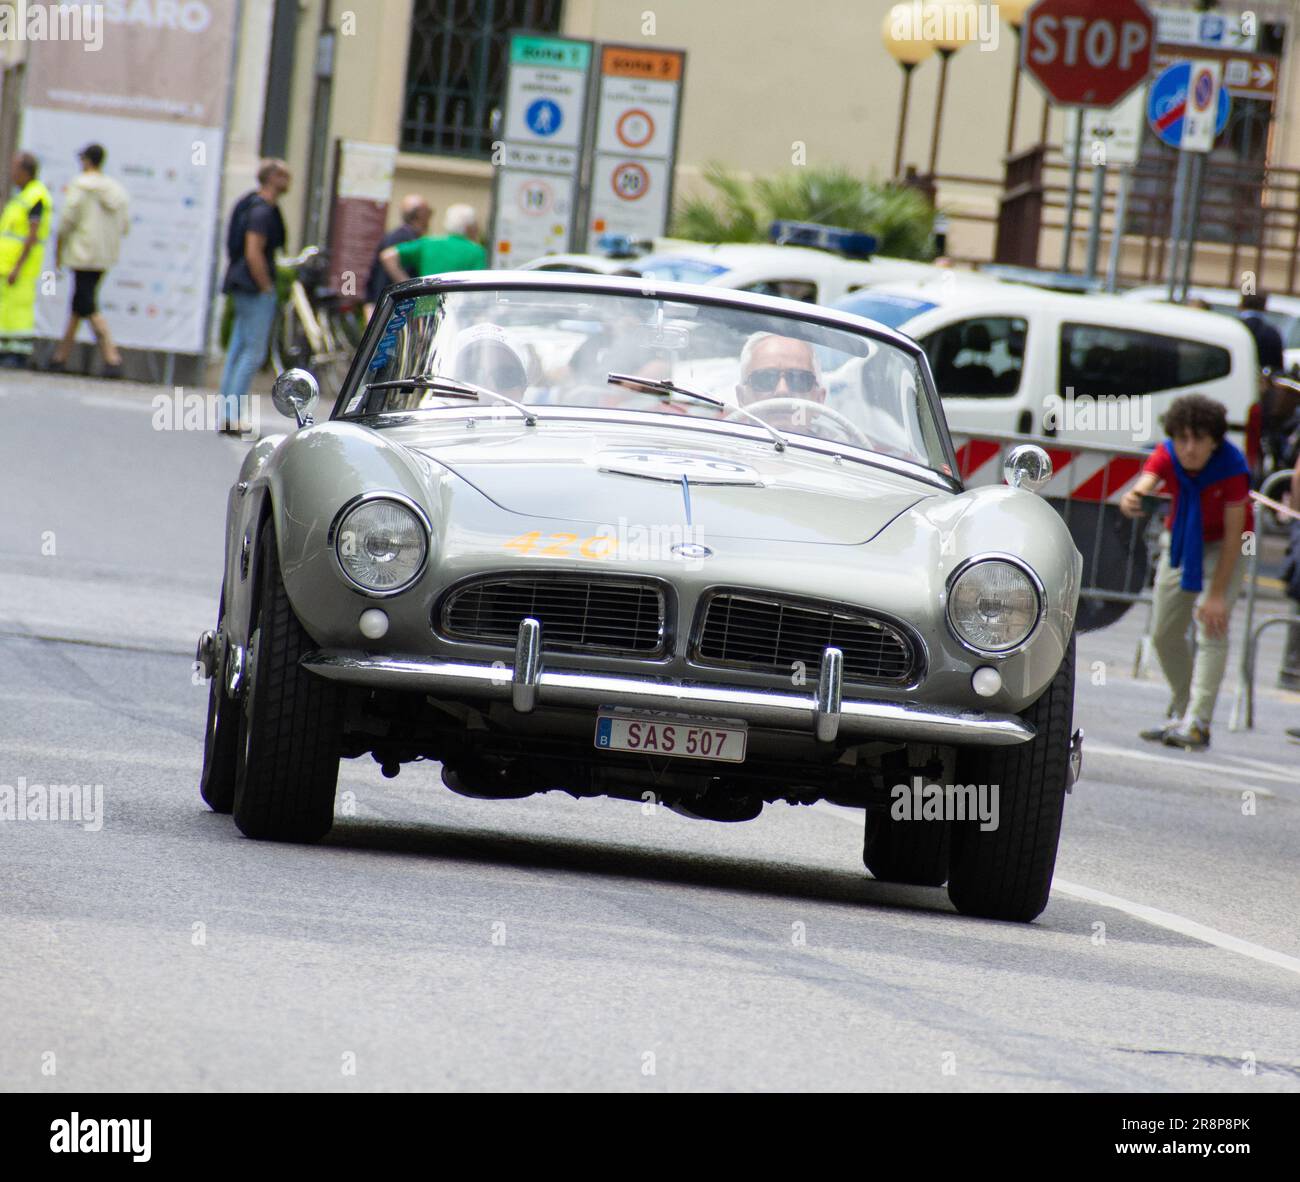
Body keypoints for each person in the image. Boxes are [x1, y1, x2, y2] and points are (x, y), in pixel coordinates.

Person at [1120, 394, 1253, 751]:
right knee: (1164, 633)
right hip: (1181, 538)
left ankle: (1198, 722)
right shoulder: (1167, 453)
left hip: (1230, 543)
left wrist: (1215, 597)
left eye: (1199, 439)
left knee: (1213, 625)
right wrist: (1134, 498)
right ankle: (1183, 711)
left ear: (1215, 440)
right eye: (1183, 438)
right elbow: (1144, 483)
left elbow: (1236, 537)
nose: (1190, 448)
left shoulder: (1232, 465)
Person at [218, 159, 290, 434]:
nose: (289, 181)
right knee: (253, 352)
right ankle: (234, 416)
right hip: (253, 285)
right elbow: (253, 251)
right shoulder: (262, 211)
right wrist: (266, 286)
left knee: (238, 348)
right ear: (272, 178)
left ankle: (227, 412)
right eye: (284, 175)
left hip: (239, 282)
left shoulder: (248, 203)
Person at [48, 144, 130, 378]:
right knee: (79, 303)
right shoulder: (116, 190)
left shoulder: (81, 186)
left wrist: (59, 246)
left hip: (83, 252)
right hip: (104, 255)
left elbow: (67, 219)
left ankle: (112, 357)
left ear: (86, 161)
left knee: (86, 303)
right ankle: (60, 356)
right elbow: (124, 225)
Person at [0, 152, 52, 368]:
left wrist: (17, 267)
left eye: (15, 169)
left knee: (18, 312)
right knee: (6, 310)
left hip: (20, 268)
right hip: (7, 264)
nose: (12, 173)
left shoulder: (36, 196)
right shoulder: (23, 195)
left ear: (25, 171)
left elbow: (32, 236)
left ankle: (17, 353)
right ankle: (6, 350)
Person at [735, 332, 827, 432]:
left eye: (798, 379)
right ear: (741, 398)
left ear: (819, 400)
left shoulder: (839, 446)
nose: (782, 391)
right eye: (765, 379)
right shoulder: (719, 444)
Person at [380, 203, 485, 284]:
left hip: (426, 306)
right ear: (469, 227)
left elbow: (388, 256)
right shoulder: (477, 251)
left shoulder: (427, 243)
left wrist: (408, 287)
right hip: (460, 308)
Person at [364, 194, 431, 319]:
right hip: (395, 311)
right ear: (420, 214)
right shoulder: (409, 242)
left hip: (382, 308)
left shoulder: (391, 236)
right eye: (429, 212)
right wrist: (413, 294)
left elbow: (372, 278)